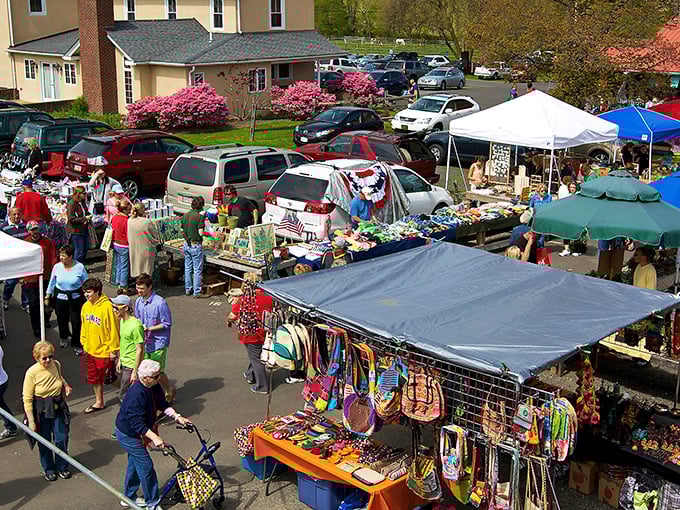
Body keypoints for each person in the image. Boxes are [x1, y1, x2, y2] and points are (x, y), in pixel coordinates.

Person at [115, 359, 191, 510]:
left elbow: (162, 404)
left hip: (136, 432)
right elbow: (136, 422)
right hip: (128, 434)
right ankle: (152, 503)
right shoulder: (136, 394)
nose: (159, 378)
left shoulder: (153, 386)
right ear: (145, 378)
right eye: (156, 376)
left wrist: (177, 416)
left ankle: (128, 496)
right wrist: (155, 437)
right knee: (146, 467)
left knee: (135, 464)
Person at [22, 340, 73, 481]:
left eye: (50, 356)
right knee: (44, 442)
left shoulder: (56, 364)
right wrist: (31, 422)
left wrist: (66, 385)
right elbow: (27, 399)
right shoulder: (31, 373)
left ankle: (62, 466)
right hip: (41, 411)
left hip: (58, 408)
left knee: (61, 438)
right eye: (44, 358)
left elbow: (59, 377)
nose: (48, 360)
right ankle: (49, 468)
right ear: (36, 358)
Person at [228, 273, 273, 395]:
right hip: (265, 331)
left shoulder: (244, 300)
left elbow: (232, 316)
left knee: (256, 358)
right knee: (255, 354)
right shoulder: (268, 297)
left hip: (250, 334)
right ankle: (249, 374)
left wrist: (229, 321)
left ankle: (262, 386)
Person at [80, 277, 120, 413]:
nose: (86, 295)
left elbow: (113, 329)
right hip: (90, 349)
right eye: (85, 292)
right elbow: (84, 326)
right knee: (94, 378)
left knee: (110, 378)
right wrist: (84, 341)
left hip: (104, 350)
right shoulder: (85, 306)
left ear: (97, 292)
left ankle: (128, 390)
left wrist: (113, 350)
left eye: (89, 292)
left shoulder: (107, 307)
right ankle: (99, 401)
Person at [135, 273, 175, 403]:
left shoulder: (160, 303)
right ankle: (151, 396)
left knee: (157, 371)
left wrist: (150, 329)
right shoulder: (138, 302)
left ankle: (168, 390)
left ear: (149, 287)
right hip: (145, 343)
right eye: (137, 288)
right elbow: (138, 319)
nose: (139, 291)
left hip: (158, 343)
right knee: (145, 371)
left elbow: (166, 323)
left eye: (142, 288)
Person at [45, 244, 87, 353]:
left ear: (70, 256)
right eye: (60, 256)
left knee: (76, 321)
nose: (62, 258)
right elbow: (52, 282)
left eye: (64, 256)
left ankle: (77, 343)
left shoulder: (80, 267)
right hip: (60, 298)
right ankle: (63, 337)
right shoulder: (57, 267)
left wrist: (90, 297)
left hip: (76, 299)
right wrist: (48, 296)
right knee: (61, 319)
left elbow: (86, 283)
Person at [23, 221, 56, 338]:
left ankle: (45, 319)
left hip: (46, 276)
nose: (35, 232)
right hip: (31, 278)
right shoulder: (25, 242)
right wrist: (22, 277)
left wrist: (54, 272)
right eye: (32, 230)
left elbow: (53, 256)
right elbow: (22, 261)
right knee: (33, 304)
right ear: (28, 231)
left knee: (48, 301)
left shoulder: (47, 241)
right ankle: (36, 327)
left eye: (36, 229)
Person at [111, 294, 145, 400]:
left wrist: (135, 371)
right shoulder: (122, 321)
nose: (113, 310)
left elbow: (140, 349)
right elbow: (124, 342)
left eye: (116, 307)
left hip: (131, 365)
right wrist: (120, 359)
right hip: (125, 362)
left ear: (125, 308)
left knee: (124, 395)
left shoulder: (135, 326)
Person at [1, 206, 29, 312]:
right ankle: (6, 299)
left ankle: (25, 303)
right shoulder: (4, 228)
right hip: (12, 259)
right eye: (14, 214)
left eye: (18, 214)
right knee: (10, 282)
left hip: (24, 259)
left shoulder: (26, 225)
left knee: (25, 282)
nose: (16, 216)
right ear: (9, 215)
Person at [128, 203, 160, 281]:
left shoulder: (130, 220)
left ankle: (139, 286)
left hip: (134, 249)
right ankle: (147, 288)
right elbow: (154, 235)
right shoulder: (147, 222)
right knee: (147, 270)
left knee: (137, 269)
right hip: (146, 250)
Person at [181, 196, 204, 297]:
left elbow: (182, 229)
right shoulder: (199, 217)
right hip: (195, 245)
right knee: (197, 270)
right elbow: (201, 233)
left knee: (188, 268)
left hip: (186, 244)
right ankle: (197, 292)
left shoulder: (185, 215)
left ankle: (187, 289)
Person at [66, 186, 91, 265]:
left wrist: (89, 215)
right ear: (78, 194)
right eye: (83, 193)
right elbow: (71, 219)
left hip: (84, 228)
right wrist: (84, 218)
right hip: (76, 231)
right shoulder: (71, 204)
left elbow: (85, 211)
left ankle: (82, 266)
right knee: (79, 250)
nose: (85, 195)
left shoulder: (82, 202)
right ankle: (76, 267)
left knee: (85, 248)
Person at [111, 201, 131, 292]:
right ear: (125, 210)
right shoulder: (126, 220)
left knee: (118, 264)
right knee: (124, 266)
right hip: (124, 245)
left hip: (115, 243)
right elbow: (128, 234)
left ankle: (118, 281)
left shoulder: (114, 217)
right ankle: (123, 285)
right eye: (129, 210)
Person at [0, 345, 18, 440]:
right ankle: (11, 426)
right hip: (3, 381)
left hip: (1, 383)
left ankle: (11, 427)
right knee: (1, 405)